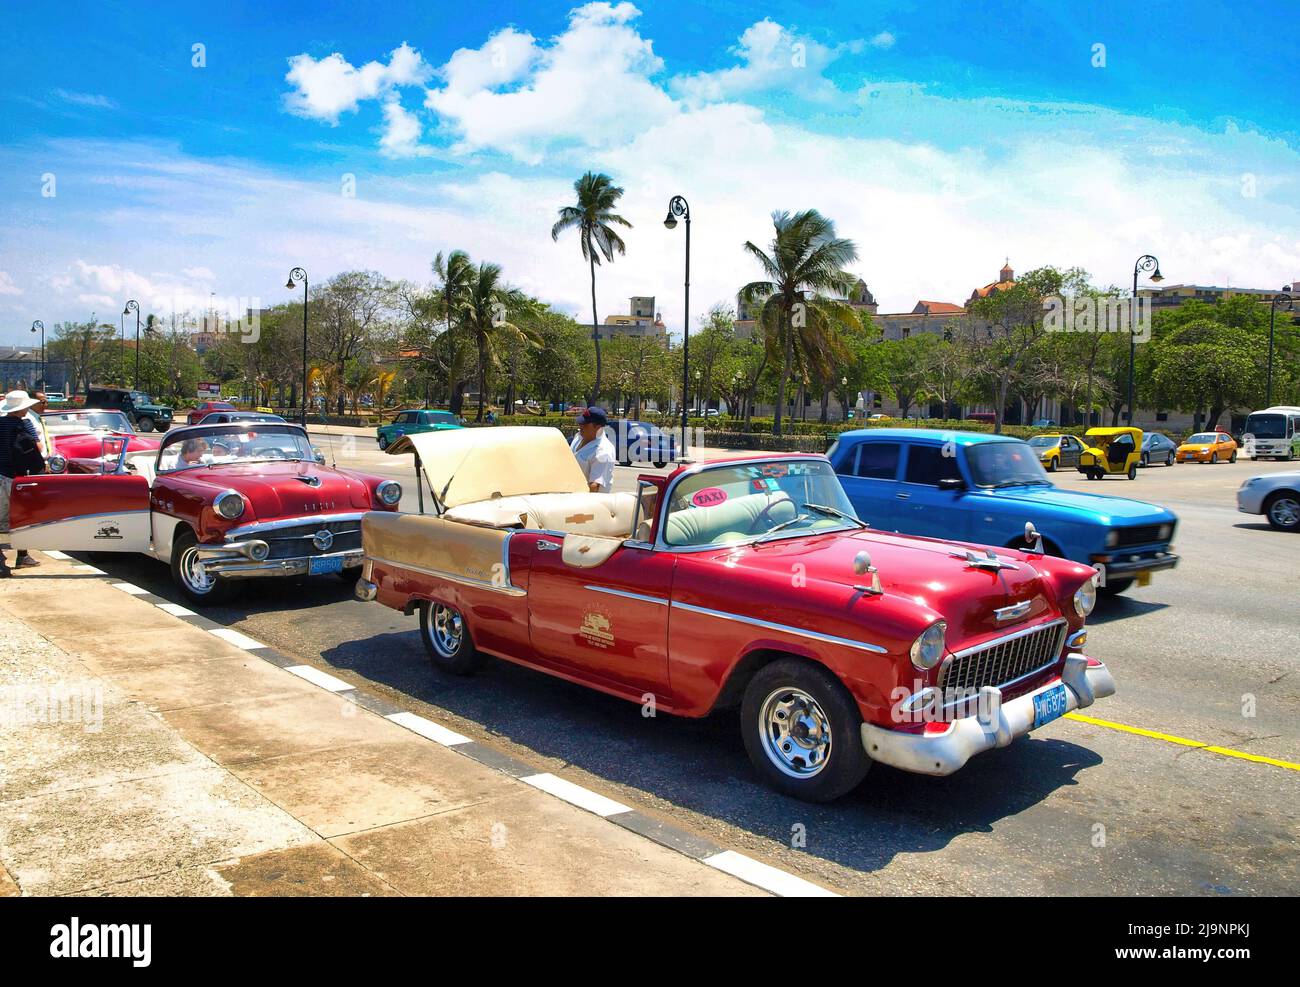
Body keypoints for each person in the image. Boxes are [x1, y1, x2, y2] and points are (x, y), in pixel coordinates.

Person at [1, 390, 43, 575]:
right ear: (22, 408)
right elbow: (38, 448)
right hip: (17, 478)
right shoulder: (25, 424)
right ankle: (22, 556)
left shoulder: (0, 423)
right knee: (21, 518)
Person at [570, 407, 616, 493]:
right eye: (581, 423)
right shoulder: (578, 437)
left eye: (585, 424)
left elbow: (594, 486)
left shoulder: (603, 451)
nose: (581, 426)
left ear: (597, 427)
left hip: (588, 502)